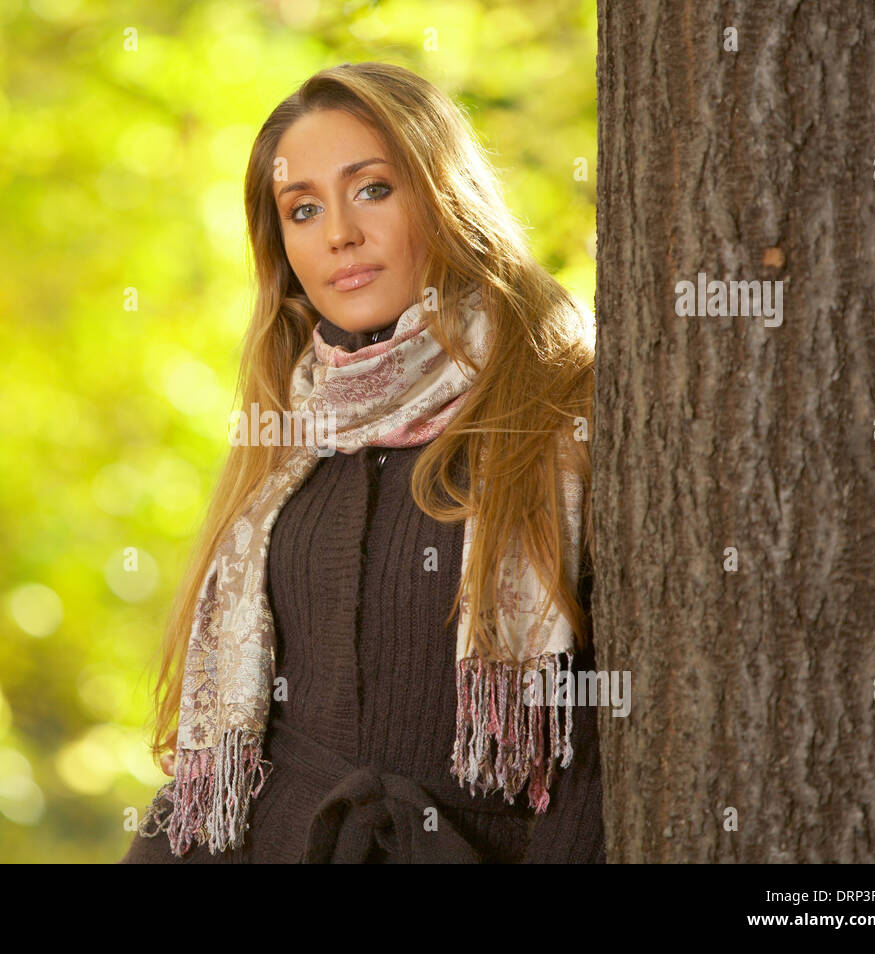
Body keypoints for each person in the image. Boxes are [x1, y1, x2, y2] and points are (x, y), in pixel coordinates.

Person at [121, 61, 602, 863]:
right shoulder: (287, 441)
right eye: (302, 209)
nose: (338, 232)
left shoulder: (561, 406)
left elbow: (605, 733)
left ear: (443, 195)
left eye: (372, 189)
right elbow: (231, 769)